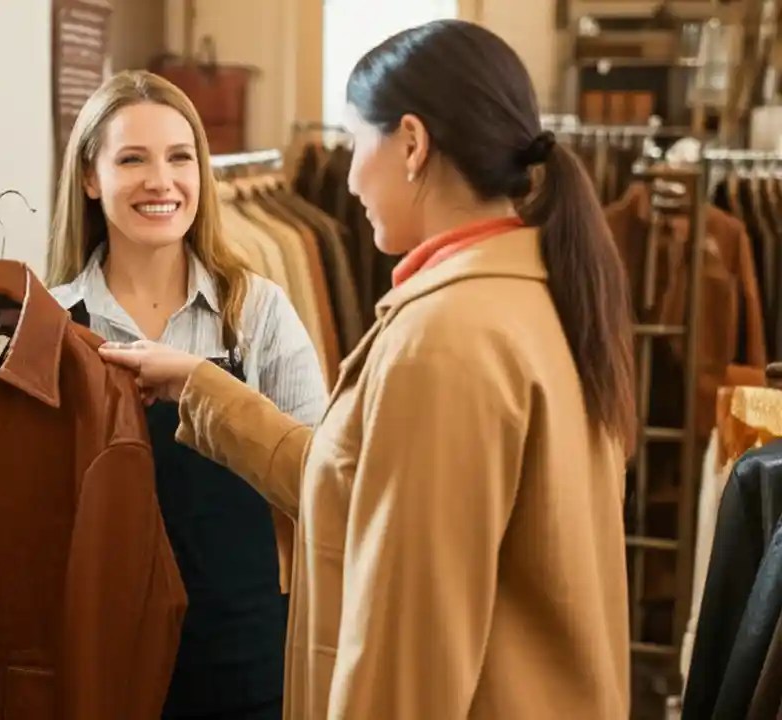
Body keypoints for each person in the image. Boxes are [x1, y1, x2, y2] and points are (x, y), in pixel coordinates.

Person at [100, 20, 635, 719]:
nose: (348, 178)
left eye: (357, 142)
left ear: (411, 144)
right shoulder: (533, 295)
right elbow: (357, 491)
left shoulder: (445, 338)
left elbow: (412, 645)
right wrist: (201, 387)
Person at [45, 70, 327, 720]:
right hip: (96, 652)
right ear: (90, 178)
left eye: (179, 158)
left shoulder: (254, 314)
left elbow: (322, 474)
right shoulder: (50, 326)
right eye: (132, 159)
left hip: (241, 653)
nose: (161, 182)